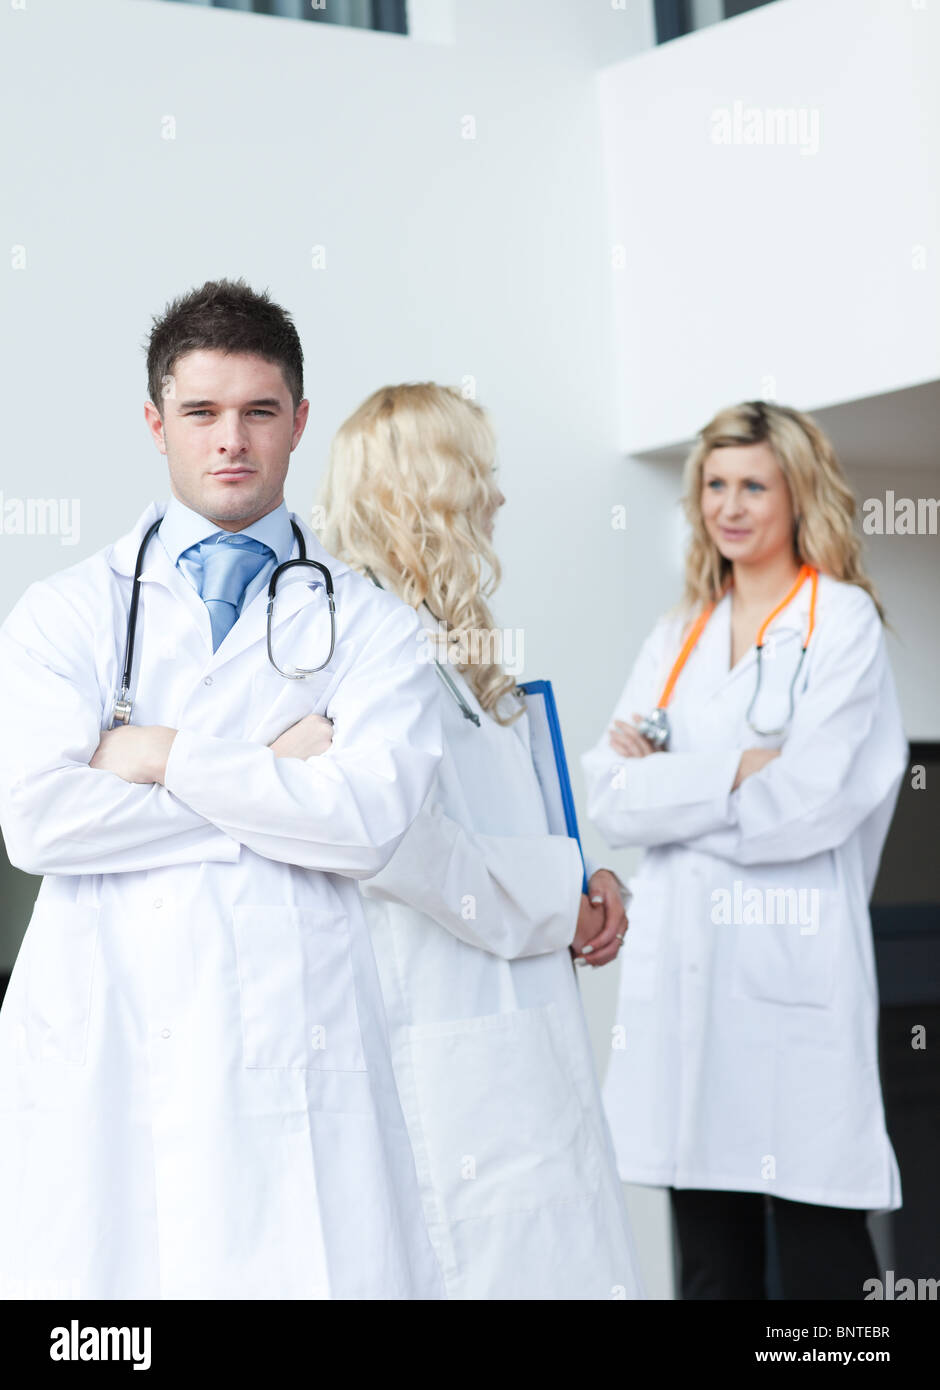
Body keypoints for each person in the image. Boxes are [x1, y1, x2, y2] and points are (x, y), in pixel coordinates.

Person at [0, 280, 446, 1301]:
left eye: (257, 410)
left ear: (298, 419)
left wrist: (157, 752)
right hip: (111, 1046)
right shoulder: (66, 611)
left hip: (293, 1048)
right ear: (157, 424)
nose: (230, 440)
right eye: (200, 412)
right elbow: (39, 819)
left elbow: (365, 822)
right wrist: (274, 775)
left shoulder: (372, 626)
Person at [317, 383, 645, 1300]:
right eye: (482, 476)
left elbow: (502, 821)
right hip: (454, 1041)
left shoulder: (445, 648)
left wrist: (588, 873)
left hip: (517, 1029)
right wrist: (556, 897)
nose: (497, 498)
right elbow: (394, 845)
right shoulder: (363, 647)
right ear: (432, 491)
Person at [582, 400, 908, 1301]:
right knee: (710, 1260)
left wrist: (674, 781)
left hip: (791, 966)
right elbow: (608, 797)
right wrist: (733, 770)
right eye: (715, 485)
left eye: (753, 485)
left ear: (798, 493)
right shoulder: (679, 632)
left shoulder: (841, 624)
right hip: (688, 979)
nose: (729, 506)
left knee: (821, 1254)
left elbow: (806, 805)